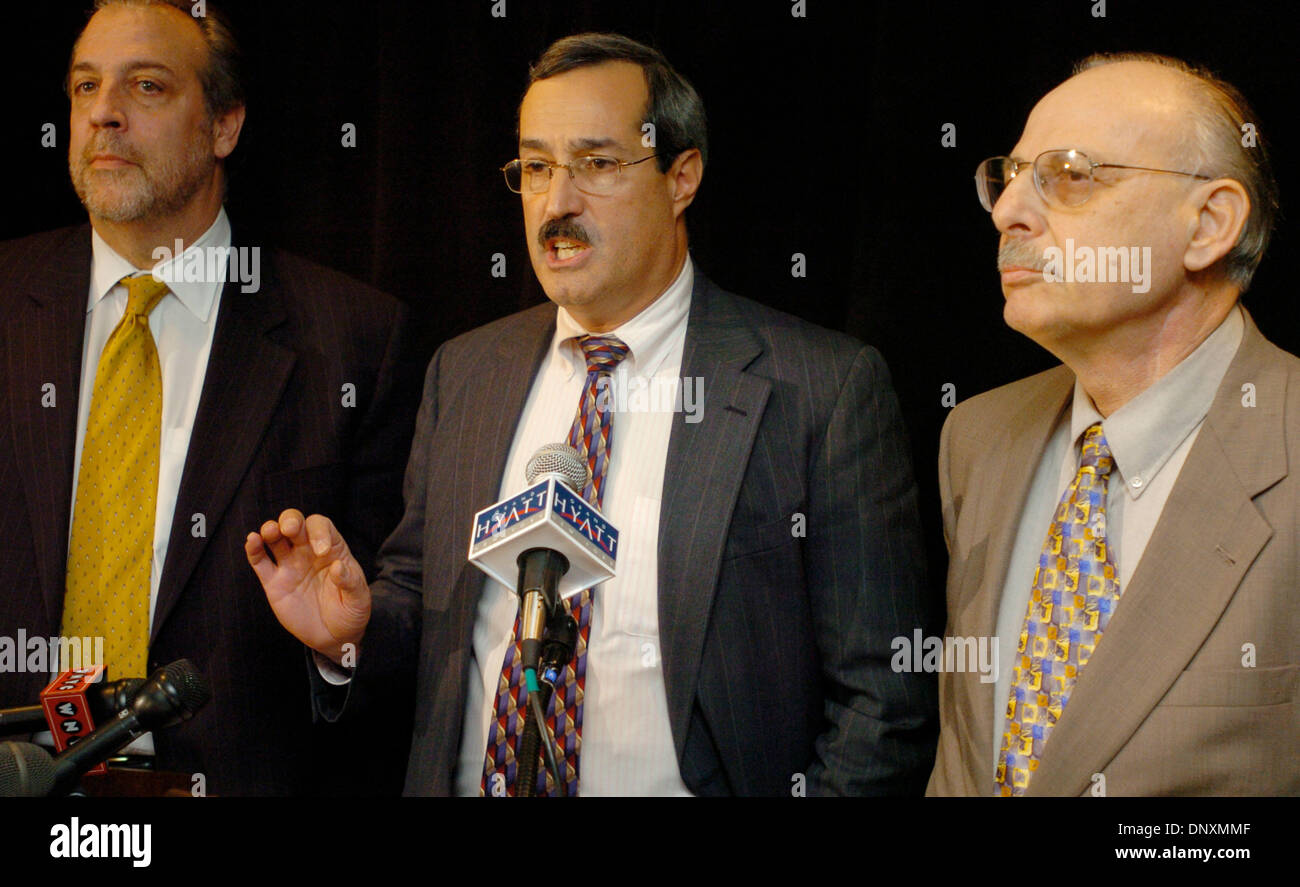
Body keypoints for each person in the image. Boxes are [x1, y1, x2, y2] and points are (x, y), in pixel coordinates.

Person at [247, 32, 937, 796]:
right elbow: (427, 607)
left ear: (683, 176)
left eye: (598, 164)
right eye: (536, 167)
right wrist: (353, 632)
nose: (557, 202)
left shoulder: (820, 388)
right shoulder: (467, 371)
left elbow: (883, 703)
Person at [0, 0, 418, 795]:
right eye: (85, 87)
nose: (104, 115)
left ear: (224, 126)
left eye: (146, 87)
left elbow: (389, 638)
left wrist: (339, 653)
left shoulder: (355, 336)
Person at [928, 53, 1298, 796]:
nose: (1006, 213)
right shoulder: (976, 437)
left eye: (1068, 175)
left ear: (1209, 224)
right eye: (1009, 176)